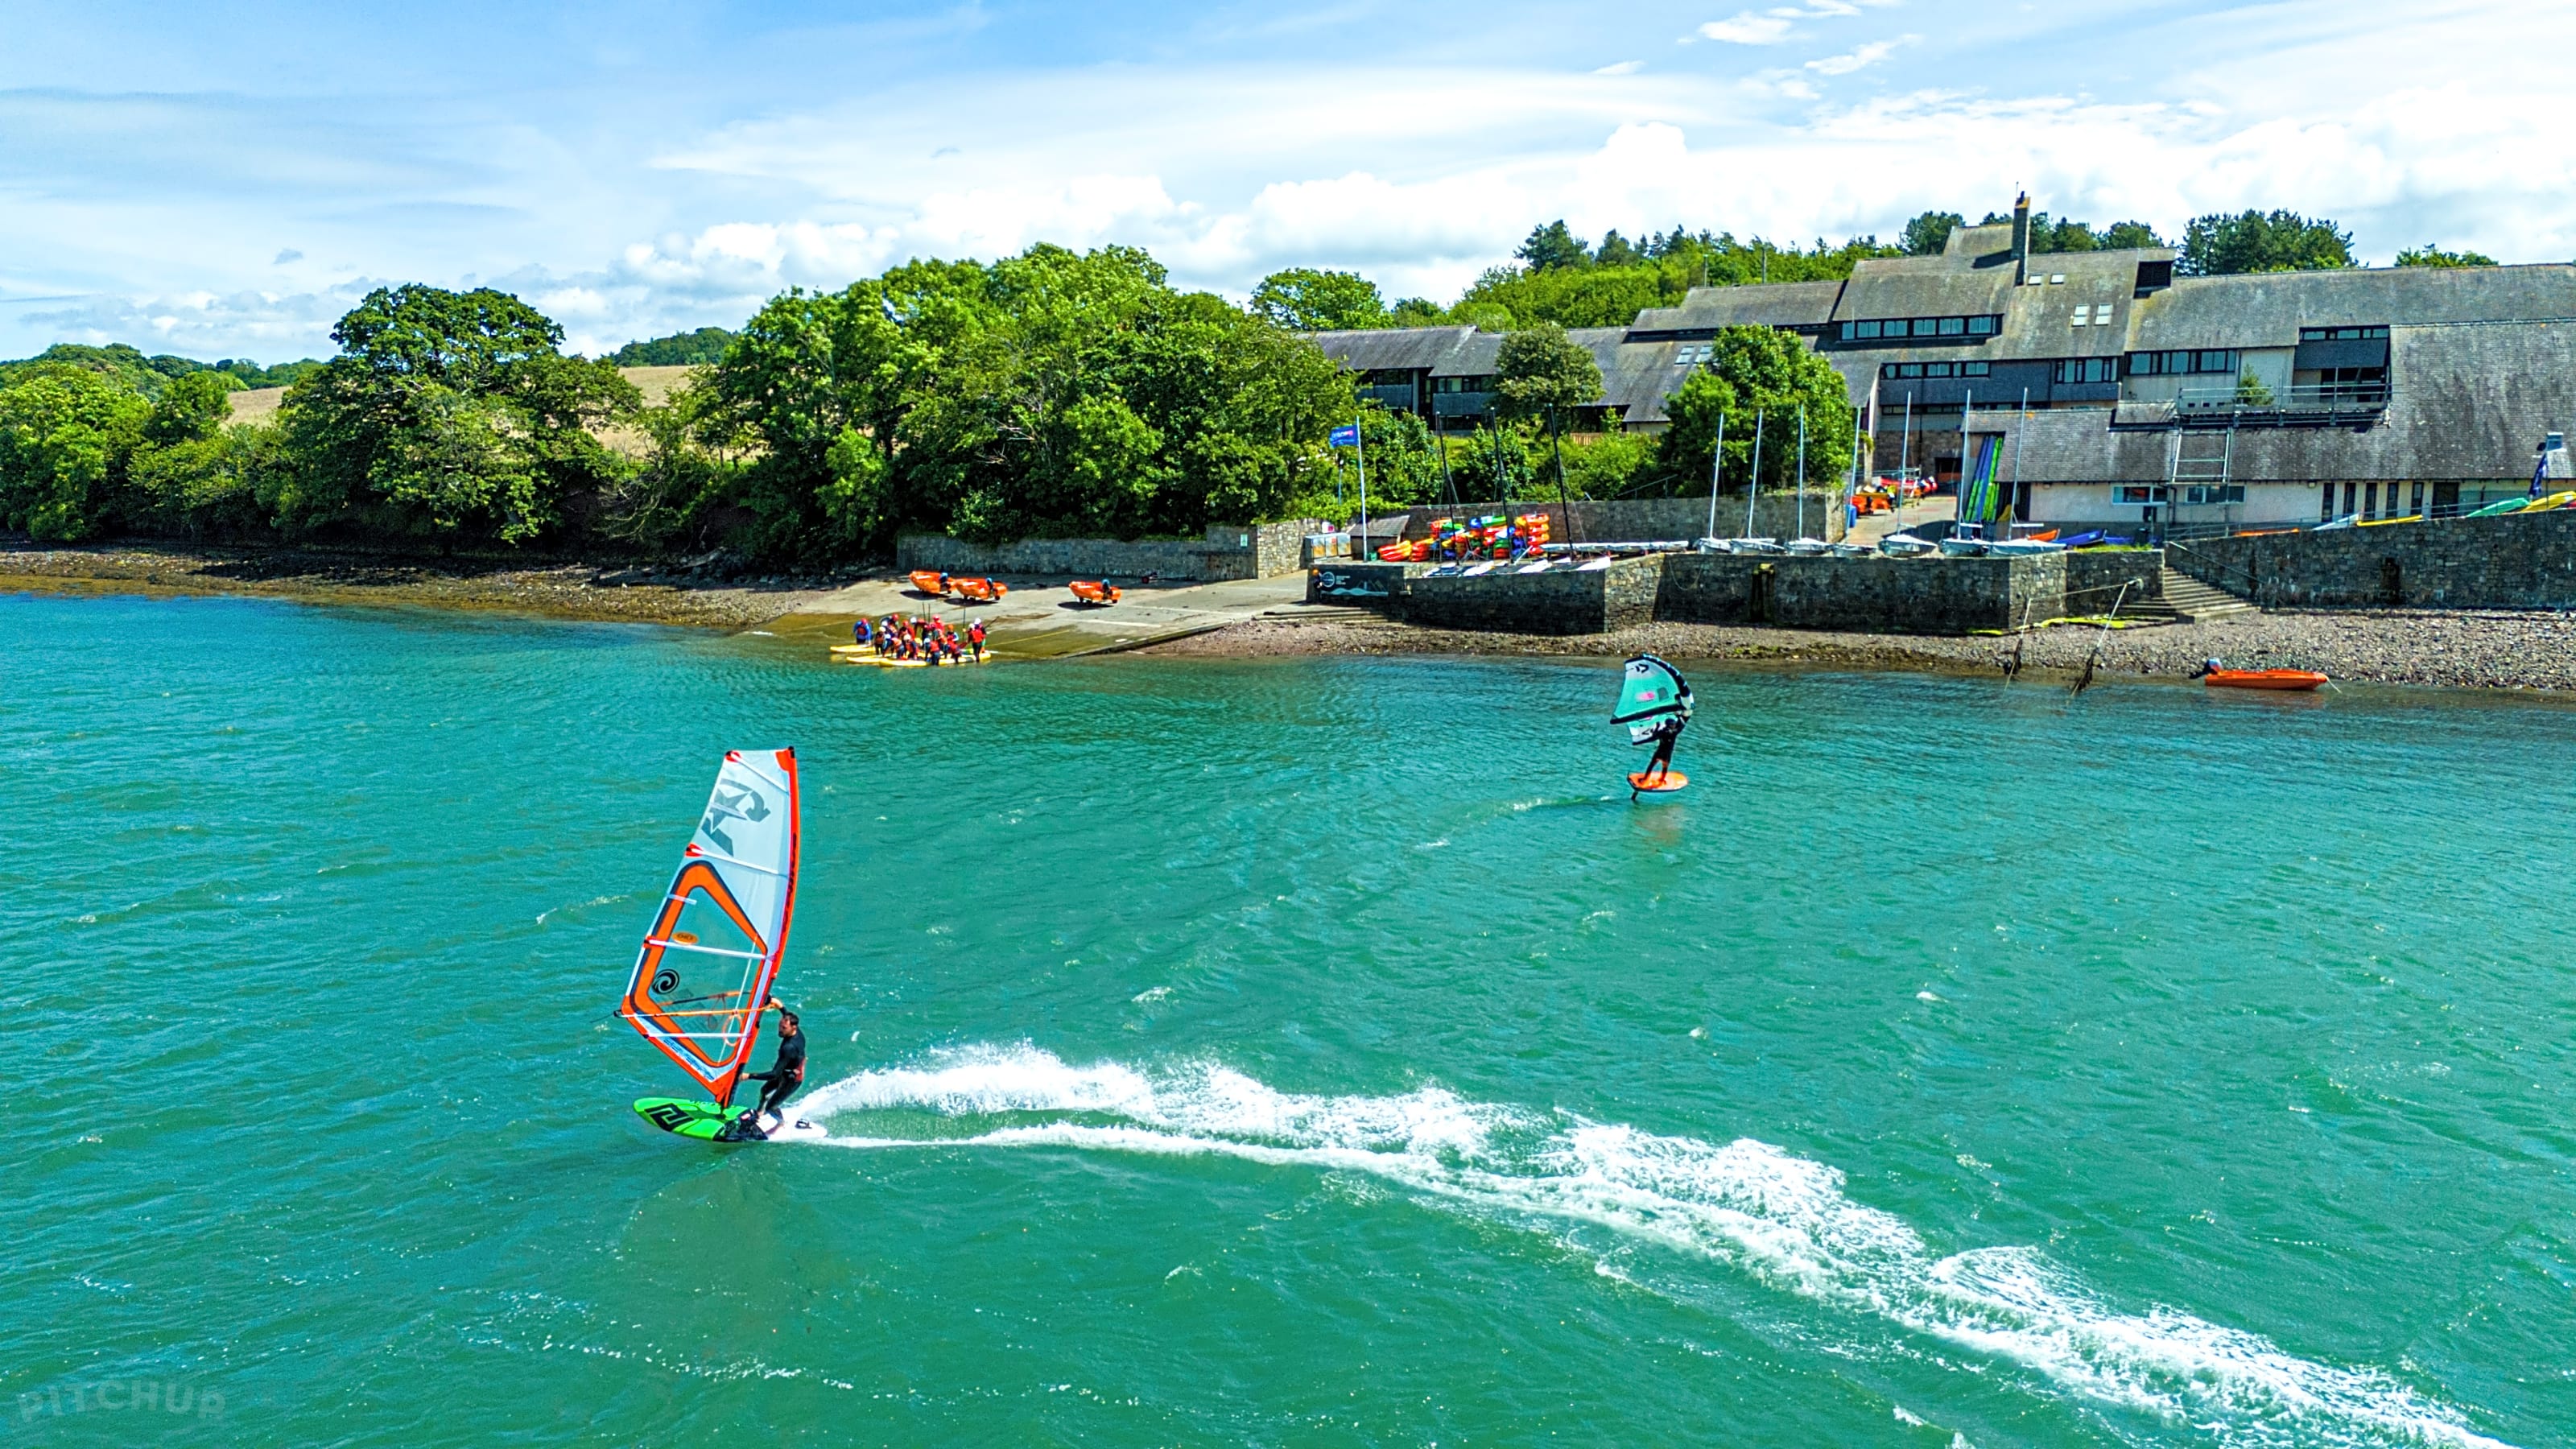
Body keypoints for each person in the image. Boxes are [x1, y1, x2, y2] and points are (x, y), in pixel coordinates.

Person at [736, 1005, 807, 1129]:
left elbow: (774, 1074)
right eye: (780, 1026)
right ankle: (759, 1114)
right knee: (764, 1091)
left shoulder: (788, 1048)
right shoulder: (796, 1031)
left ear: (793, 1027)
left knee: (771, 1107)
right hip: (785, 1070)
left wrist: (749, 1076)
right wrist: (780, 1007)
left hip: (792, 1079)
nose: (780, 1030)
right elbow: (787, 1015)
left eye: (784, 1028)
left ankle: (780, 1123)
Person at [1641, 712, 1685, 783]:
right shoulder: (1674, 732)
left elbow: (1653, 737)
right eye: (1673, 724)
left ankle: (1645, 779)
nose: (1675, 725)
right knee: (1665, 767)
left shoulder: (1662, 731)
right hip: (1667, 754)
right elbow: (1682, 725)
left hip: (1659, 752)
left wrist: (1657, 727)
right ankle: (1661, 780)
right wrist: (1679, 716)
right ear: (1670, 725)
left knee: (1651, 765)